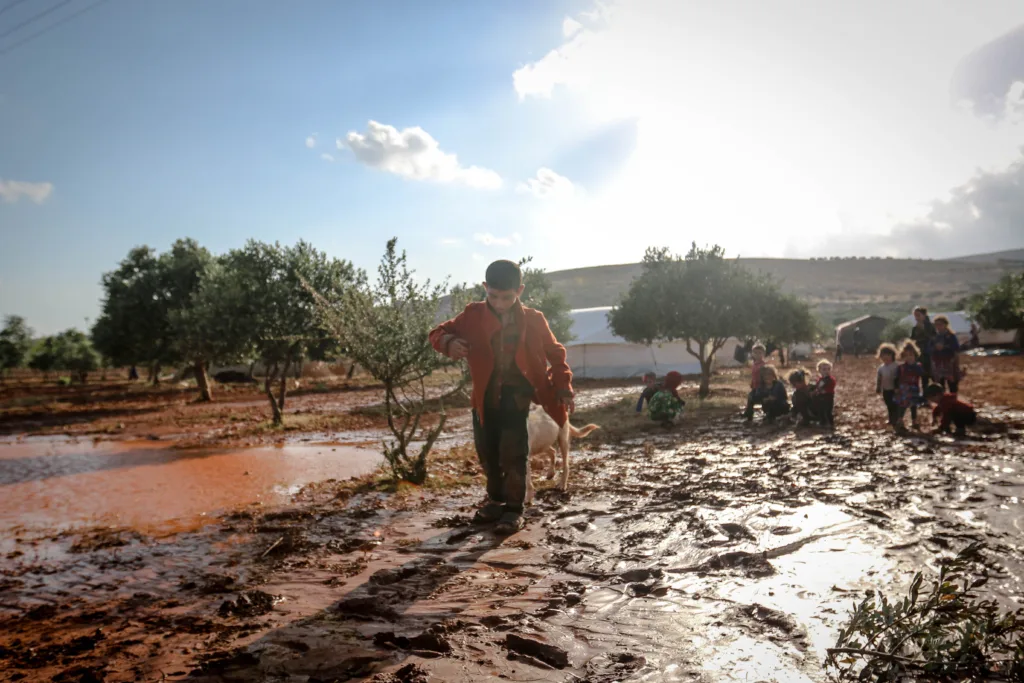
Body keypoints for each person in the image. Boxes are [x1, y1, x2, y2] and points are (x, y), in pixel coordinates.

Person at [429, 259, 574, 535]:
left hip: (516, 396)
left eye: (506, 297)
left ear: (519, 290)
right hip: (483, 398)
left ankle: (514, 509)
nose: (499, 303)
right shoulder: (472, 314)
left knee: (514, 452)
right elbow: (437, 333)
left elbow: (556, 354)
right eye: (492, 296)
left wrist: (563, 386)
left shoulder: (534, 319)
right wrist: (450, 343)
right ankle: (495, 501)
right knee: (487, 452)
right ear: (485, 288)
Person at [894, 340, 926, 432]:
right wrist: (896, 388)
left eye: (911, 355)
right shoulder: (901, 367)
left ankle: (914, 421)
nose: (909, 358)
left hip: (914, 389)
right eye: (906, 355)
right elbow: (896, 378)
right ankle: (900, 420)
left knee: (914, 406)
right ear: (903, 357)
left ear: (915, 356)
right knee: (903, 405)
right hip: (903, 390)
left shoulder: (918, 366)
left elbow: (923, 375)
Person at [928, 315, 961, 393]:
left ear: (945, 325)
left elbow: (956, 348)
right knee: (939, 386)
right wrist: (935, 348)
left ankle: (953, 401)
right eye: (936, 325)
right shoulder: (934, 337)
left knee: (952, 385)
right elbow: (928, 349)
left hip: (949, 363)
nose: (938, 327)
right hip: (938, 363)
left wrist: (945, 347)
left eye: (940, 324)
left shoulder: (951, 336)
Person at [875, 343, 900, 428]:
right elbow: (879, 378)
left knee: (895, 405)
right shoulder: (881, 368)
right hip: (886, 389)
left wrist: (898, 387)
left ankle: (896, 419)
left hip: (895, 390)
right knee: (889, 404)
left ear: (892, 355)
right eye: (883, 355)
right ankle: (891, 419)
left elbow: (899, 377)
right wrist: (878, 387)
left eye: (888, 355)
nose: (885, 357)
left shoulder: (896, 366)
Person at [911, 306, 937, 387]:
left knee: (935, 377)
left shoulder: (931, 326)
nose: (916, 318)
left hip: (932, 356)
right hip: (921, 356)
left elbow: (935, 338)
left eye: (918, 315)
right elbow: (912, 341)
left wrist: (924, 330)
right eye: (915, 316)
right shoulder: (915, 329)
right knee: (923, 377)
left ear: (924, 315)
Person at [743, 344, 768, 422]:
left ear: (763, 354)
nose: (757, 355)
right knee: (750, 398)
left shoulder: (764, 365)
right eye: (756, 353)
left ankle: (768, 414)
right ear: (752, 353)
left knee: (756, 398)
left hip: (762, 387)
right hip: (755, 386)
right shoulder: (754, 364)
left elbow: (766, 377)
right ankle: (748, 414)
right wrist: (752, 383)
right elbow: (754, 375)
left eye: (760, 353)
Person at [812, 360, 837, 427]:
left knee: (828, 411)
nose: (827, 371)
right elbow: (818, 386)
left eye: (828, 369)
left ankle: (830, 423)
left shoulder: (830, 379)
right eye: (824, 369)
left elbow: (832, 385)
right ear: (819, 370)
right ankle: (822, 422)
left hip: (828, 397)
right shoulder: (820, 379)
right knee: (821, 410)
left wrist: (825, 390)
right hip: (820, 397)